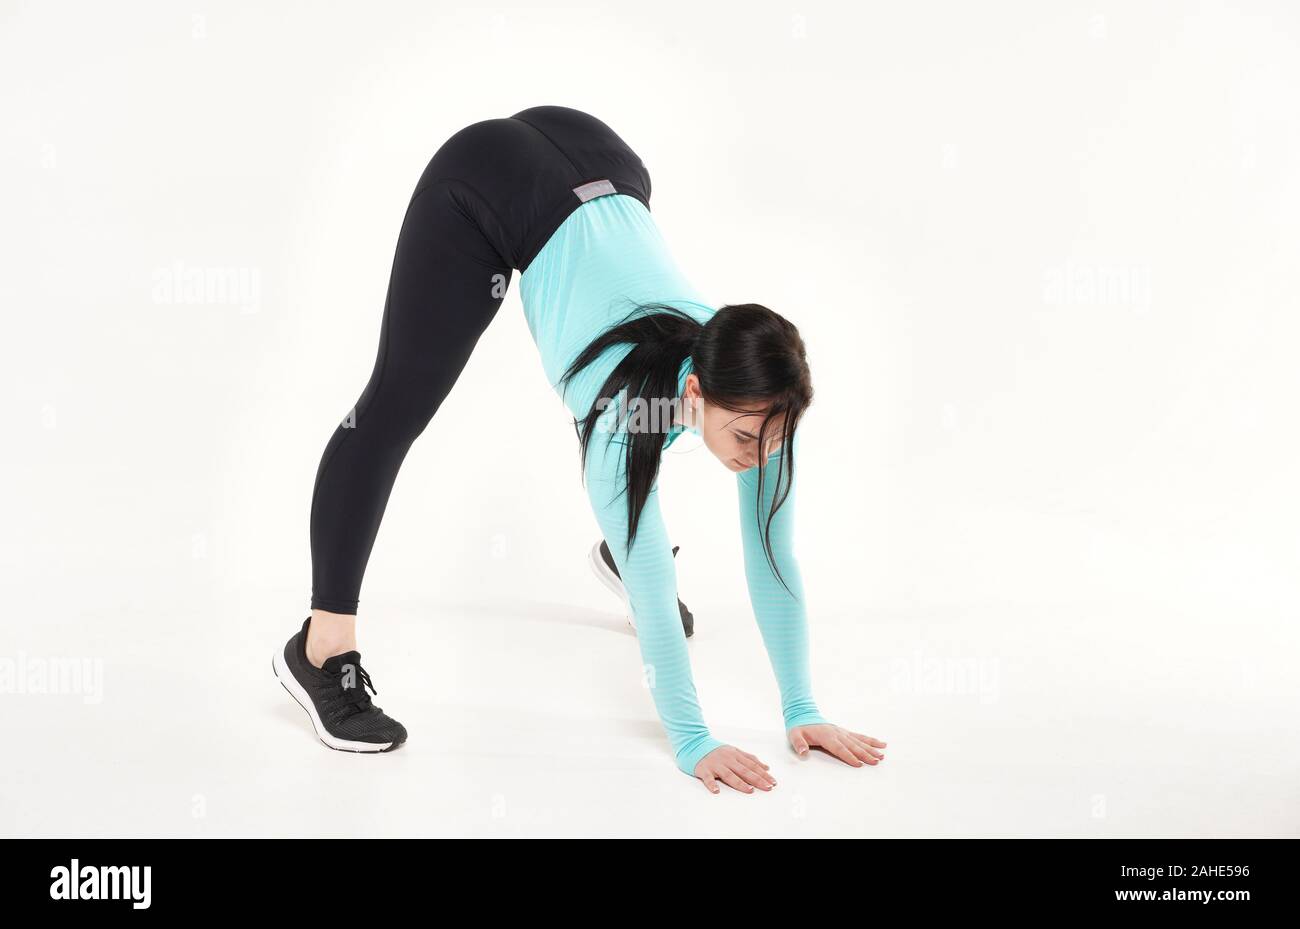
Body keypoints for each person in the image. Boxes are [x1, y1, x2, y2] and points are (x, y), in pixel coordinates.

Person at [272, 105, 886, 793]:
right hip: (485, 182)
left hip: (604, 162)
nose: (758, 456)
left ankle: (620, 536)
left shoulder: (757, 378)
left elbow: (773, 553)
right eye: (743, 437)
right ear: (693, 392)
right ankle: (321, 647)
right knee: (393, 408)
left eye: (773, 440)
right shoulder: (628, 414)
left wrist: (802, 708)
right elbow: (655, 593)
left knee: (624, 463)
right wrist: (691, 739)